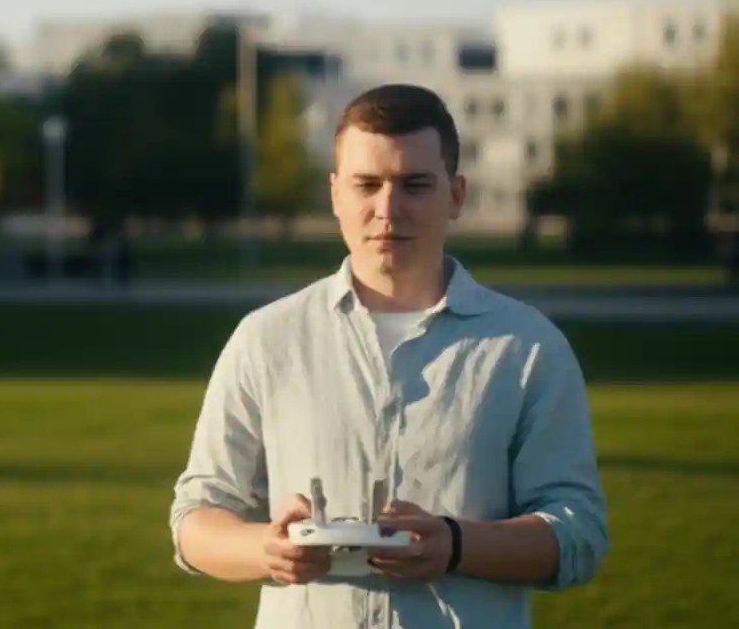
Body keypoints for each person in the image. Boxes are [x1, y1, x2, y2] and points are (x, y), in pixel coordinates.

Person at [169, 84, 608, 628]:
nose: (387, 208)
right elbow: (195, 518)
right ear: (335, 195)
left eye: (414, 185)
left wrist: (455, 544)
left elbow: (579, 533)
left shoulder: (526, 348)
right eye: (367, 185)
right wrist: (267, 548)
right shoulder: (267, 339)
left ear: (456, 194)